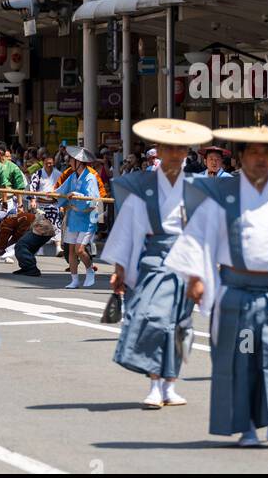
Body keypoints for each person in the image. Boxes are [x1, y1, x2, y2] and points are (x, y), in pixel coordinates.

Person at [165, 126, 268, 449]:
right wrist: (195, 278)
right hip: (237, 296)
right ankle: (248, 428)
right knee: (243, 358)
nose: (260, 159)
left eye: (266, 153)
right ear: (241, 157)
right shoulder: (223, 197)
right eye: (253, 152)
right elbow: (198, 237)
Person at [103, 119, 213, 409]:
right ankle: (154, 383)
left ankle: (170, 383)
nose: (175, 154)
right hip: (155, 258)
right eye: (169, 148)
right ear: (159, 152)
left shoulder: (198, 188)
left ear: (187, 153)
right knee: (155, 318)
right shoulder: (144, 187)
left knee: (180, 324)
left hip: (188, 258)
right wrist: (120, 270)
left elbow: (207, 230)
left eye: (181, 149)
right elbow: (127, 228)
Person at [56, 147, 100, 289]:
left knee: (79, 249)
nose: (69, 161)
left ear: (79, 162)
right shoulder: (72, 176)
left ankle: (90, 270)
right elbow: (61, 191)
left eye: (72, 159)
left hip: (88, 217)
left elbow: (93, 198)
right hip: (74, 216)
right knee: (71, 250)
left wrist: (76, 194)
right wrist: (49, 195)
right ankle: (74, 280)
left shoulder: (90, 177)